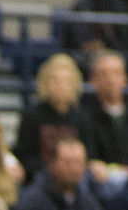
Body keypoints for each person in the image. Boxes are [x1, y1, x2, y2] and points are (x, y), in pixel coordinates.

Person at [14, 52, 88, 180]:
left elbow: (89, 155)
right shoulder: (31, 116)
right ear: (45, 83)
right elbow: (24, 156)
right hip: (41, 177)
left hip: (76, 178)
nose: (60, 86)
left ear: (75, 85)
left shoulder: (82, 118)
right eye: (55, 81)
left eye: (66, 81)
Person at [78, 49, 128, 179]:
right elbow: (90, 158)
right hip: (102, 178)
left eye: (116, 73)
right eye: (104, 74)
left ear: (125, 79)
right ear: (93, 80)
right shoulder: (85, 115)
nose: (111, 80)